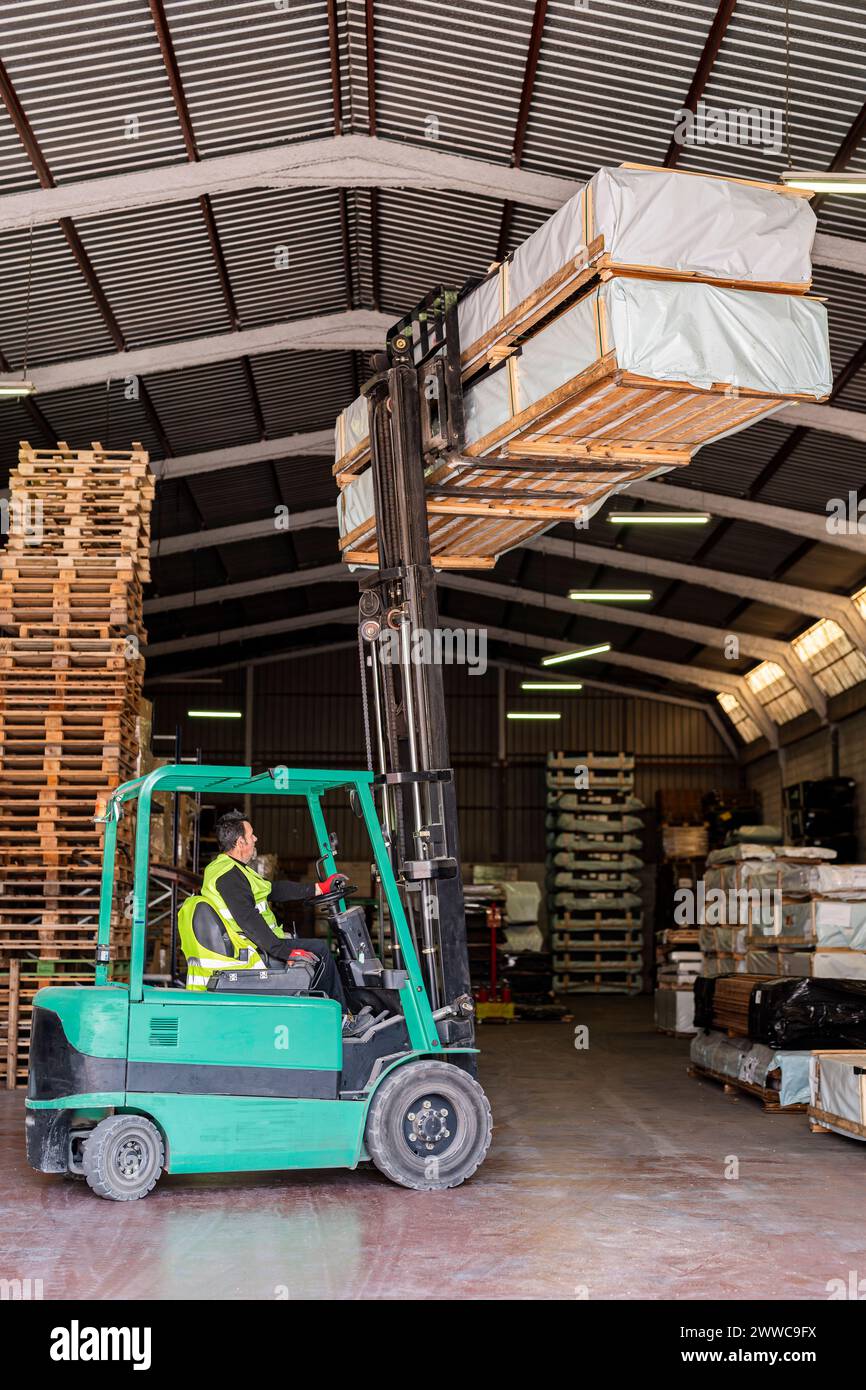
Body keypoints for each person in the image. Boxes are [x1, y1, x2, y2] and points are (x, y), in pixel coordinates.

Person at [199, 808, 350, 1012]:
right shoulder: (228, 876)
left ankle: (323, 1012)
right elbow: (249, 920)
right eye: (251, 835)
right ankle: (339, 1018)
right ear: (240, 842)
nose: (255, 838)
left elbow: (274, 890)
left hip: (256, 944)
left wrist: (318, 888)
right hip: (250, 949)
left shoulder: (235, 869)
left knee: (315, 949)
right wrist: (284, 951)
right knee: (321, 951)